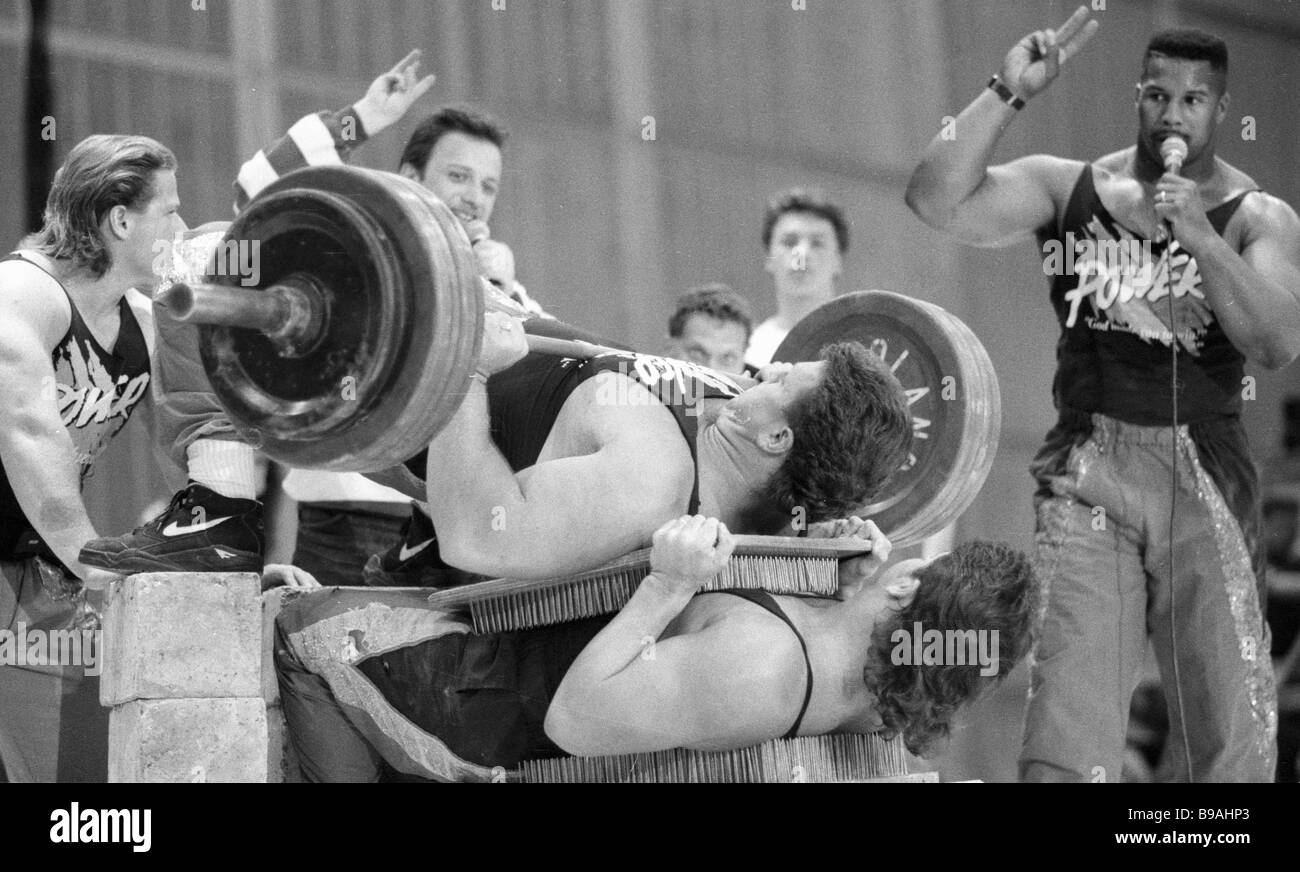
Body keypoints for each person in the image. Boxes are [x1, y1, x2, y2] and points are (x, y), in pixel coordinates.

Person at [905, 7, 1300, 782]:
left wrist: (1203, 239)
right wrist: (1005, 92)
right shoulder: (1071, 187)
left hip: (1203, 474)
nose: (1173, 116)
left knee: (1228, 736)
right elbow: (935, 201)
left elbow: (1277, 345)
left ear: (1219, 110)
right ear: (1138, 97)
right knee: (1065, 733)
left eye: (1192, 101)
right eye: (1158, 96)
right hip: (1088, 469)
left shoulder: (1258, 216)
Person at [274, 514, 1037, 781]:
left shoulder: (761, 670)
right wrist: (852, 576)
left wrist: (669, 585)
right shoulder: (878, 695)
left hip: (473, 710)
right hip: (487, 654)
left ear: (910, 591)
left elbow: (578, 717)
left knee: (293, 625)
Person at [0, 134, 172, 781]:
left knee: (73, 776)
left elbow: (190, 452)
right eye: (172, 210)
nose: (181, 226)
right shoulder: (21, 293)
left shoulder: (146, 326)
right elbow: (28, 436)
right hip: (30, 564)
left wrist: (238, 566)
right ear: (122, 220)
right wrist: (95, 563)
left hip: (35, 568)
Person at [744, 188, 850, 369]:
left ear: (837, 261)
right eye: (789, 242)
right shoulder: (748, 351)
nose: (801, 255)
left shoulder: (862, 343)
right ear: (769, 258)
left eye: (817, 243)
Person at [666, 283, 753, 376]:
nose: (712, 371)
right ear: (670, 349)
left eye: (728, 359)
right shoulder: (649, 387)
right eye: (697, 354)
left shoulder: (760, 385)